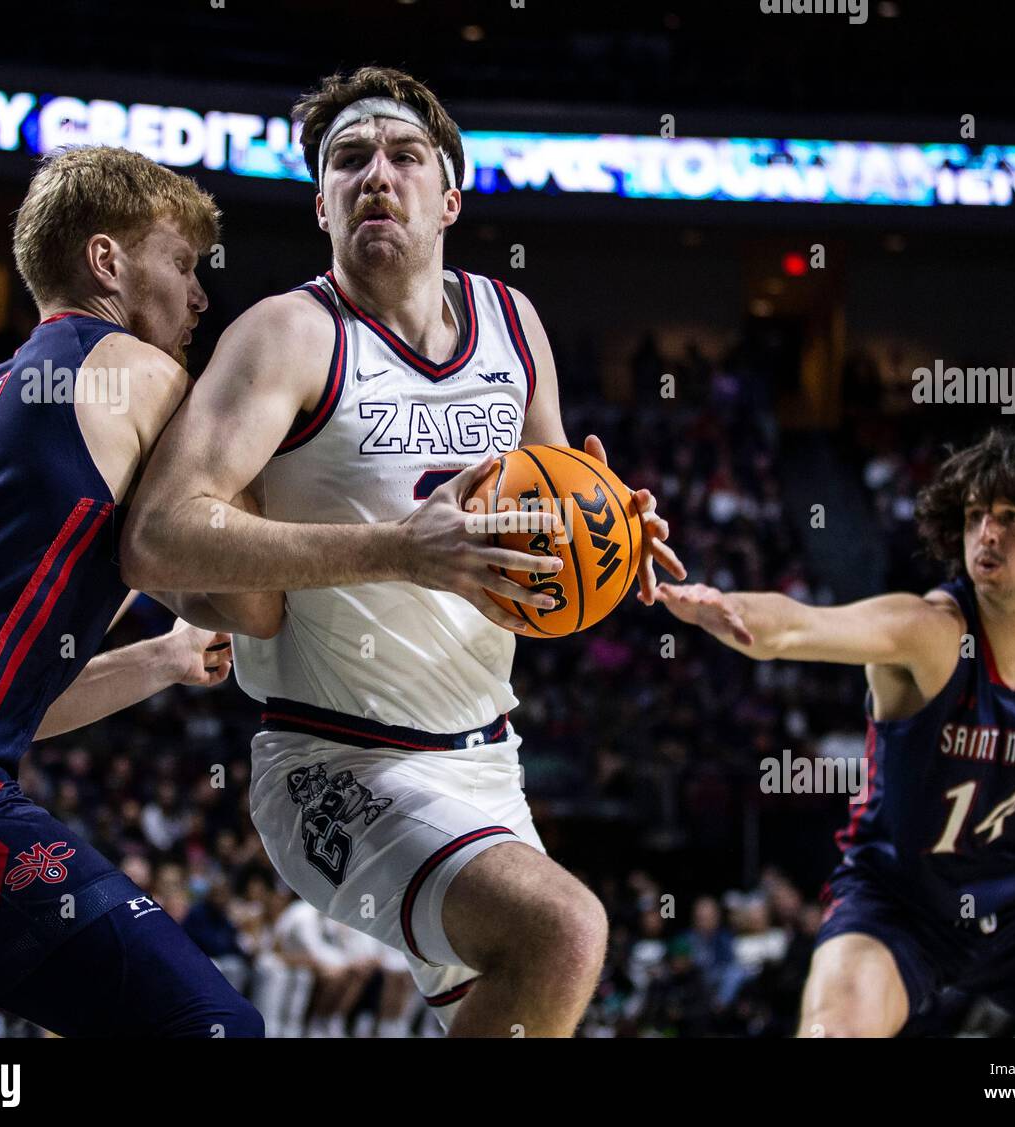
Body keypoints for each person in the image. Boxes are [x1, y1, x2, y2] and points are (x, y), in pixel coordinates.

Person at [121, 65, 683, 1036]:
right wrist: (396, 548)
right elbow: (157, 537)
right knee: (563, 931)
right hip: (334, 765)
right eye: (349, 160)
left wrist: (611, 533)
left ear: (449, 198)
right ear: (321, 203)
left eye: (403, 156)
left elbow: (547, 523)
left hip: (487, 761)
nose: (376, 174)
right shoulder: (285, 335)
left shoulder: (514, 324)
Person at [0, 145, 278, 1036]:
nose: (201, 296)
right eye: (182, 264)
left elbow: (12, 701)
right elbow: (257, 603)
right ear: (106, 262)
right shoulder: (137, 371)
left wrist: (162, 656)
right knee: (214, 1030)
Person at [656, 429, 1015, 1036]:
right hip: (897, 901)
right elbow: (801, 628)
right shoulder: (932, 631)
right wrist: (732, 607)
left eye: (1010, 517)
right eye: (976, 515)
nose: (987, 533)